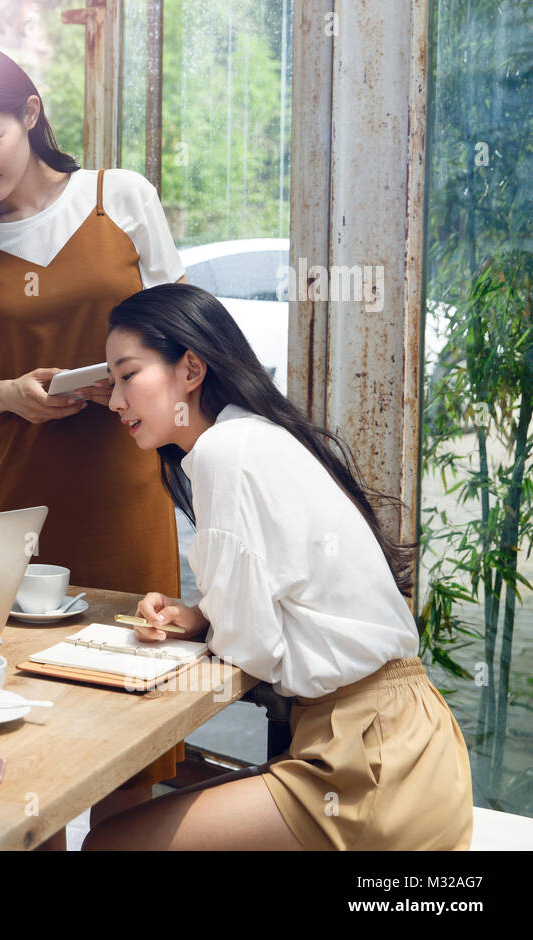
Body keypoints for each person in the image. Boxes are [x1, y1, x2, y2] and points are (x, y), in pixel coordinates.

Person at [0, 44, 188, 813]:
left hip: (128, 488)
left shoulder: (120, 197)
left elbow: (188, 339)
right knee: (18, 728)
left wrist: (132, 385)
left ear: (29, 114)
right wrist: (12, 398)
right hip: (21, 497)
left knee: (129, 718)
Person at [83, 283, 472, 850]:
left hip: (369, 765)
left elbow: (251, 650)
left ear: (190, 369)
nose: (115, 401)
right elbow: (274, 611)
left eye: (128, 375)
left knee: (110, 844)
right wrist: (200, 615)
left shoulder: (225, 452)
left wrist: (217, 623)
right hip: (405, 742)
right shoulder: (254, 435)